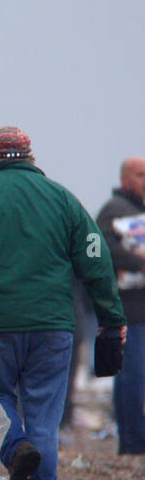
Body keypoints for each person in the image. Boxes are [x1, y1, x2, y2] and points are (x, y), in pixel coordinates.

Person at [0, 127, 125, 480]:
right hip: (53, 326)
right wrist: (110, 315)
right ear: (31, 157)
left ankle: (15, 449)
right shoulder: (62, 199)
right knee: (44, 411)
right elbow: (95, 256)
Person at [96, 156, 145, 455]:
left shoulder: (138, 211)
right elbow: (100, 249)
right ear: (126, 179)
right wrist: (138, 261)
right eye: (140, 175)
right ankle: (132, 440)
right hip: (128, 311)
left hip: (141, 308)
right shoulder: (114, 210)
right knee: (131, 376)